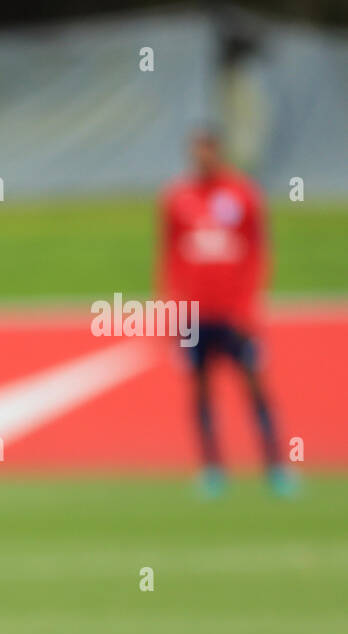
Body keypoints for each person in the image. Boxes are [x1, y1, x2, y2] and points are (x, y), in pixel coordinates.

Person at [157, 126, 295, 497]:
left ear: (219, 151)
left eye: (208, 150)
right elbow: (169, 257)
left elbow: (258, 253)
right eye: (196, 151)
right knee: (201, 389)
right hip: (194, 316)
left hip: (235, 314)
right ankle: (213, 468)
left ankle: (276, 466)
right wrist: (171, 308)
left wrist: (250, 306)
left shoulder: (243, 195)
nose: (202, 157)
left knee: (254, 385)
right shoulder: (177, 198)